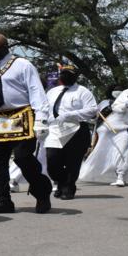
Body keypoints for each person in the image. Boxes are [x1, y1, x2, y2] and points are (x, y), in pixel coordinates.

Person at [0, 34, 52, 215]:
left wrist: (41, 119)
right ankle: (2, 200)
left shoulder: (23, 65)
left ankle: (42, 192)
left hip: (20, 114)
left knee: (22, 157)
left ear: (5, 47)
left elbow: (36, 91)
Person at [45, 66, 96, 200]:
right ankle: (61, 182)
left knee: (72, 162)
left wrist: (70, 115)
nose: (64, 76)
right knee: (52, 160)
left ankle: (68, 187)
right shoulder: (52, 91)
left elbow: (92, 110)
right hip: (55, 129)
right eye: (63, 74)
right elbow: (43, 108)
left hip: (76, 129)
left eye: (68, 74)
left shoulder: (83, 91)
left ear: (76, 76)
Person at [76, 95, 128, 187]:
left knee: (122, 154)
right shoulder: (104, 103)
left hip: (123, 131)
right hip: (106, 133)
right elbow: (94, 117)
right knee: (105, 154)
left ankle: (120, 176)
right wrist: (95, 116)